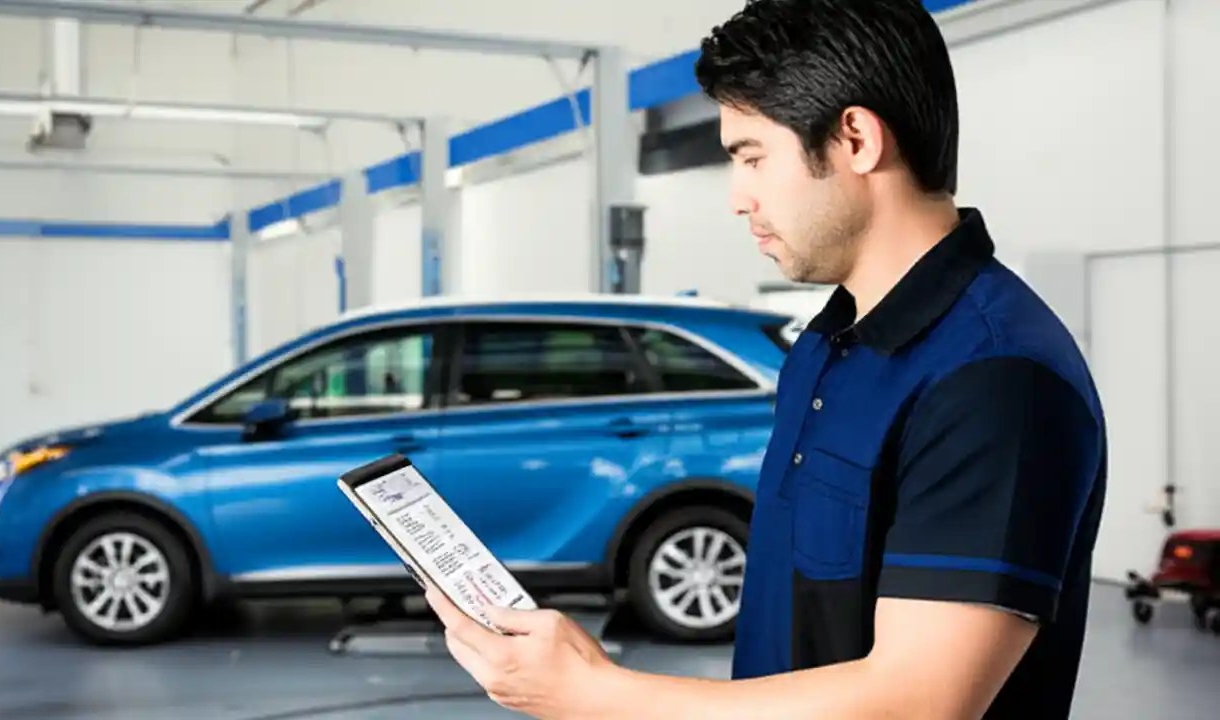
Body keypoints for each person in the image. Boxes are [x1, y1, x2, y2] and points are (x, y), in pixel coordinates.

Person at [424, 0, 1108, 717]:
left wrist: (597, 692)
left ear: (855, 139)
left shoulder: (996, 379)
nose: (737, 197)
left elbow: (918, 701)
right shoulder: (824, 346)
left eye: (752, 157)